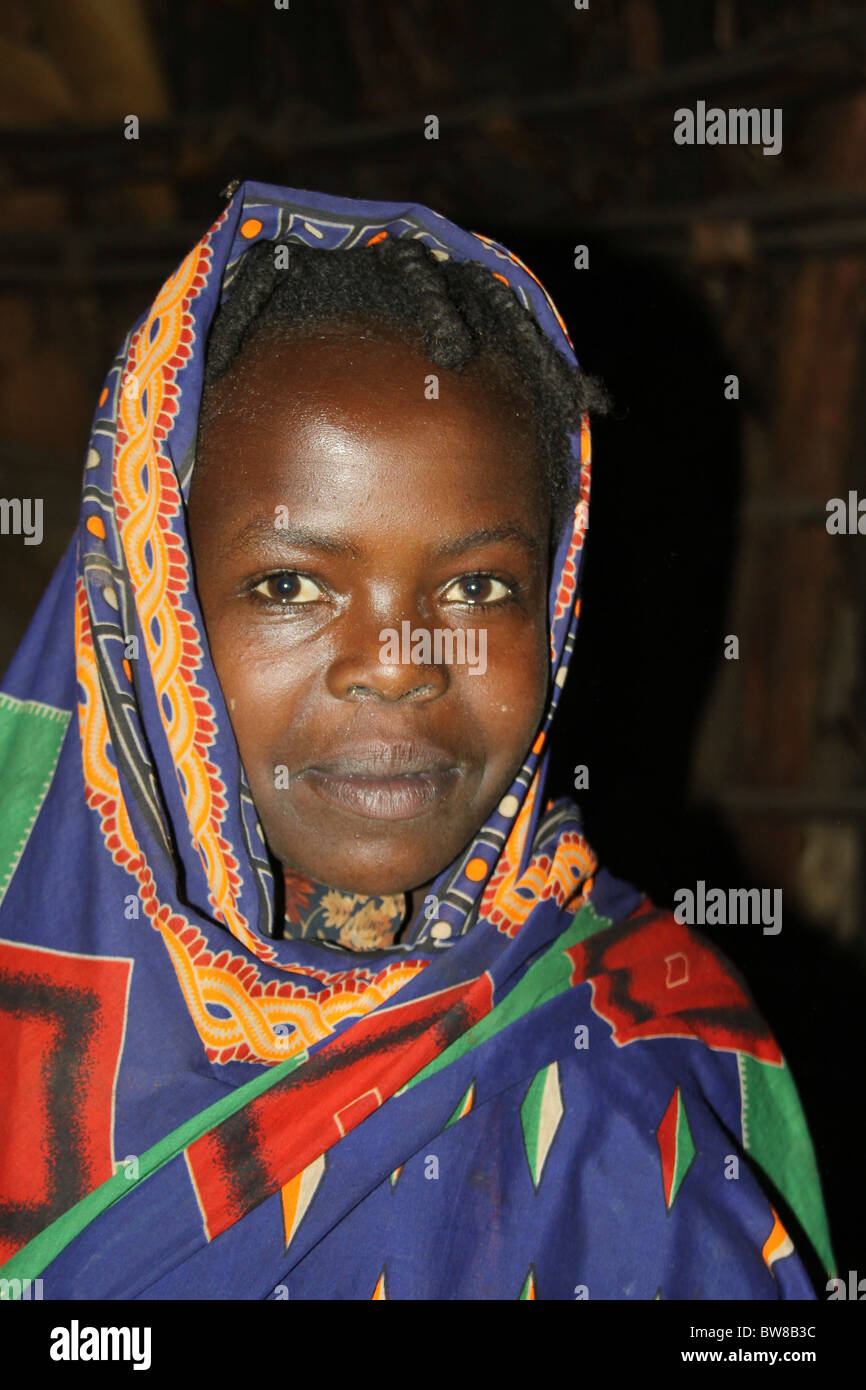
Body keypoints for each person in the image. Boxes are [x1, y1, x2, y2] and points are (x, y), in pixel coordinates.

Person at [0, 181, 834, 1300]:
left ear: (558, 597)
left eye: (478, 584)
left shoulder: (631, 1056)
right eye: (290, 582)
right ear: (152, 603)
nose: (396, 661)